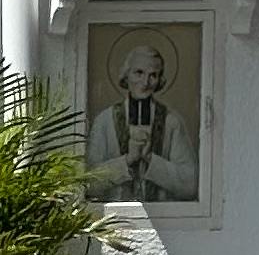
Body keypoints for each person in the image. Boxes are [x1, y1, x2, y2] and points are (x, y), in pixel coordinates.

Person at [86, 37, 201, 203]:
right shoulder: (104, 121)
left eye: (153, 75)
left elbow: (190, 184)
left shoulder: (171, 122)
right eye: (139, 73)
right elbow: (88, 182)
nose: (145, 82)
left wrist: (150, 159)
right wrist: (127, 160)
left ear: (160, 79)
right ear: (126, 74)